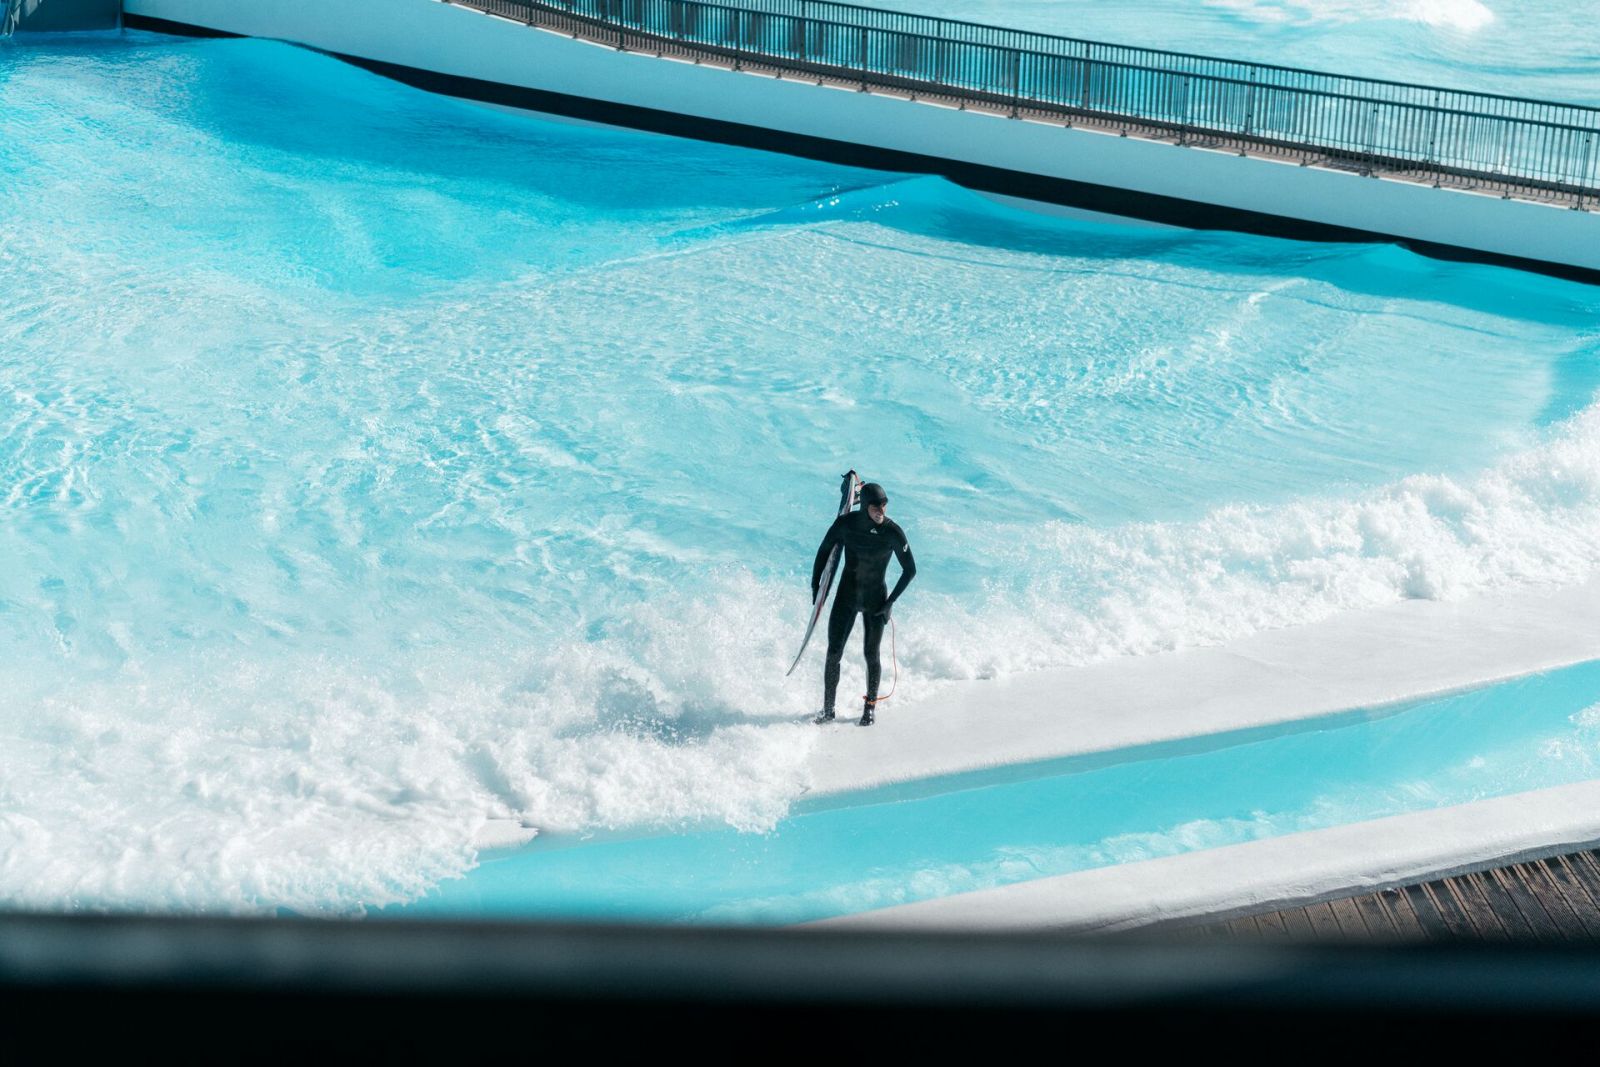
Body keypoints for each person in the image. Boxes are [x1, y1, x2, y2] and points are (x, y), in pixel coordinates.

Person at [810, 481, 915, 726]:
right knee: (834, 652)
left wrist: (890, 603)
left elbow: (910, 570)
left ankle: (869, 708)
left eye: (885, 505)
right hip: (846, 598)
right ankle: (828, 710)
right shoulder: (845, 525)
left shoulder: (892, 532)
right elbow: (824, 550)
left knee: (871, 654)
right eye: (876, 506)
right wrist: (816, 585)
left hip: (875, 600)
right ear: (865, 505)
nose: (882, 510)